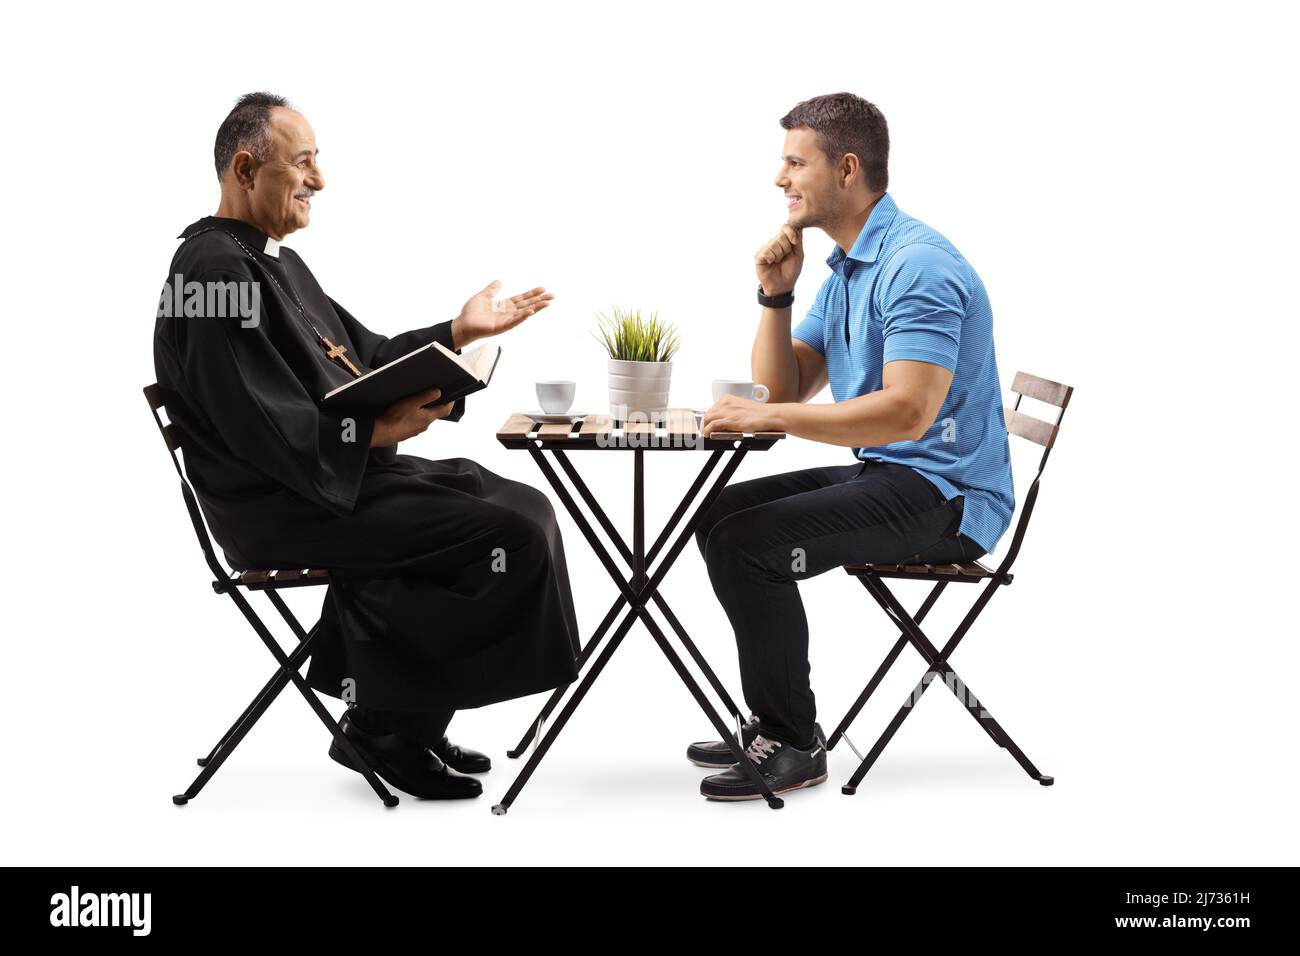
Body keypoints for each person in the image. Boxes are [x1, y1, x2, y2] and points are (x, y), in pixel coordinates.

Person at [153, 92, 581, 801]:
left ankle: (402, 717)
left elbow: (364, 358)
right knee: (496, 533)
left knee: (513, 500)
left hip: (327, 480)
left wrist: (459, 333)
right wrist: (375, 432)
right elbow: (254, 422)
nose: (319, 180)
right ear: (244, 166)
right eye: (304, 162)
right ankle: (387, 726)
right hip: (282, 503)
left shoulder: (271, 263)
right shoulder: (211, 275)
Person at [691, 92, 1014, 802]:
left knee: (748, 542)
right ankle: (774, 721)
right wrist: (776, 295)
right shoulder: (846, 267)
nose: (780, 179)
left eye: (793, 162)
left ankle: (795, 741)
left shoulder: (916, 265)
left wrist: (763, 416)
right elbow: (786, 390)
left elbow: (906, 412)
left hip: (949, 499)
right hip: (897, 474)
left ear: (845, 169)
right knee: (715, 517)